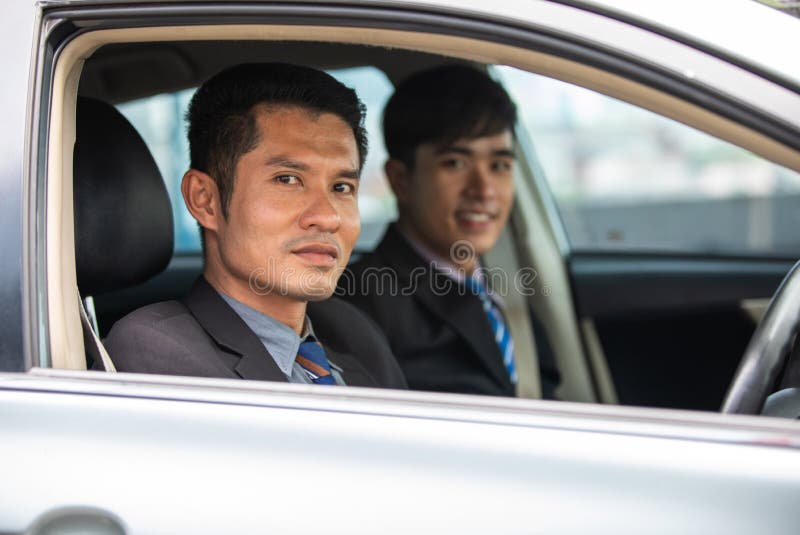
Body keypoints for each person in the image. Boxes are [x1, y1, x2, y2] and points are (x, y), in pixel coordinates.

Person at [102, 62, 406, 389]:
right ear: (206, 200)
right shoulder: (157, 349)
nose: (329, 217)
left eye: (341, 187)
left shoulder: (351, 332)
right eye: (288, 180)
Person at [341, 65, 559, 397]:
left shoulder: (501, 287)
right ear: (400, 179)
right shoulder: (359, 306)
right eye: (455, 163)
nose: (484, 189)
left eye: (499, 165)